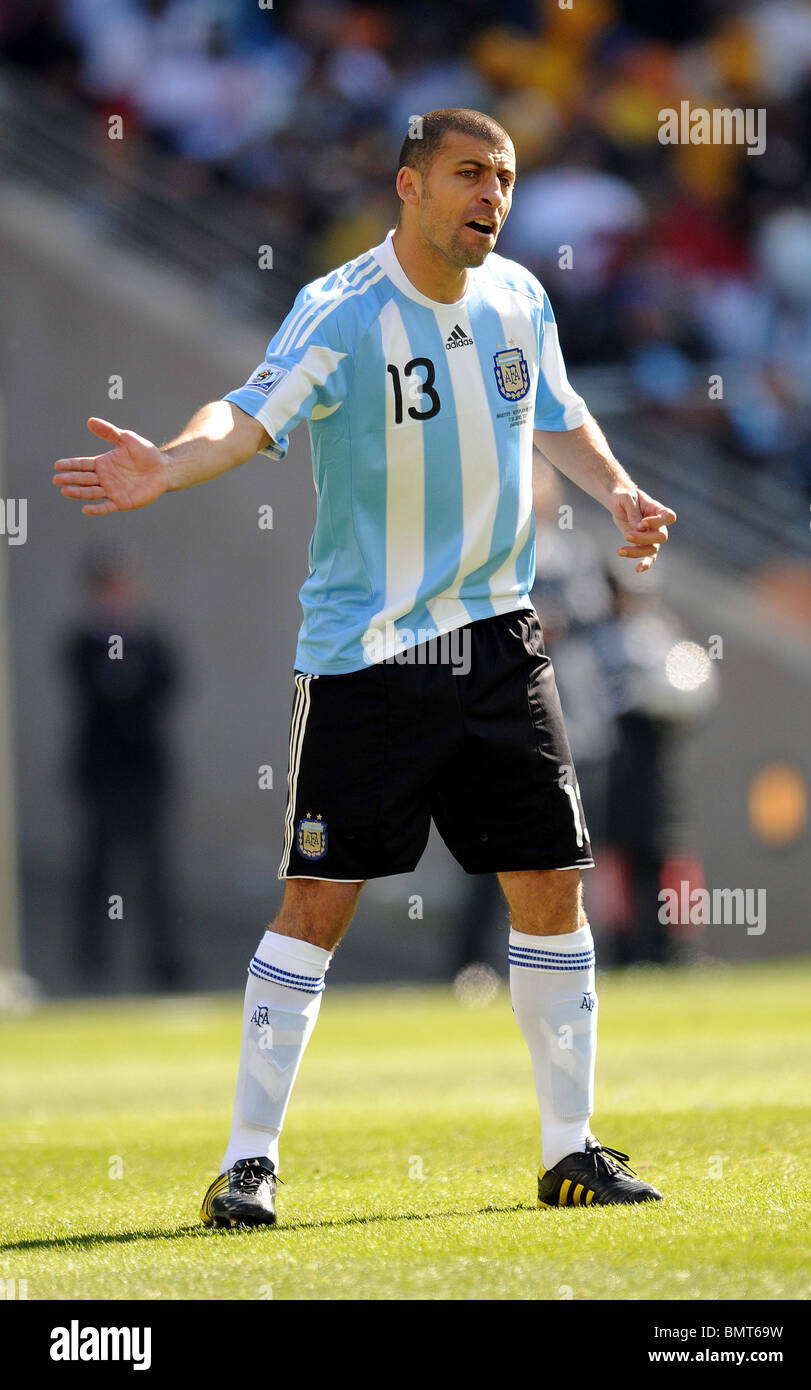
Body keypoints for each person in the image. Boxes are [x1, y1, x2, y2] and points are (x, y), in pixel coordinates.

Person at [53, 108, 676, 1227]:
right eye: (468, 173)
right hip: (368, 656)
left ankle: (568, 1146)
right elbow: (244, 417)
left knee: (550, 883)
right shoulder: (339, 314)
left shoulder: (518, 300)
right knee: (315, 903)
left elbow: (562, 418)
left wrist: (618, 492)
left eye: (505, 177)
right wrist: (172, 464)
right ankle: (249, 1162)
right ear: (408, 186)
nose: (492, 193)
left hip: (495, 638)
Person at [62, 545, 183, 988]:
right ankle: (92, 958)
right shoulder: (82, 642)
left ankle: (163, 958)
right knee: (97, 865)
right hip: (102, 771)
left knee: (154, 867)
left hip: (145, 769)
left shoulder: (150, 639)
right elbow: (96, 691)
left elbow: (166, 685)